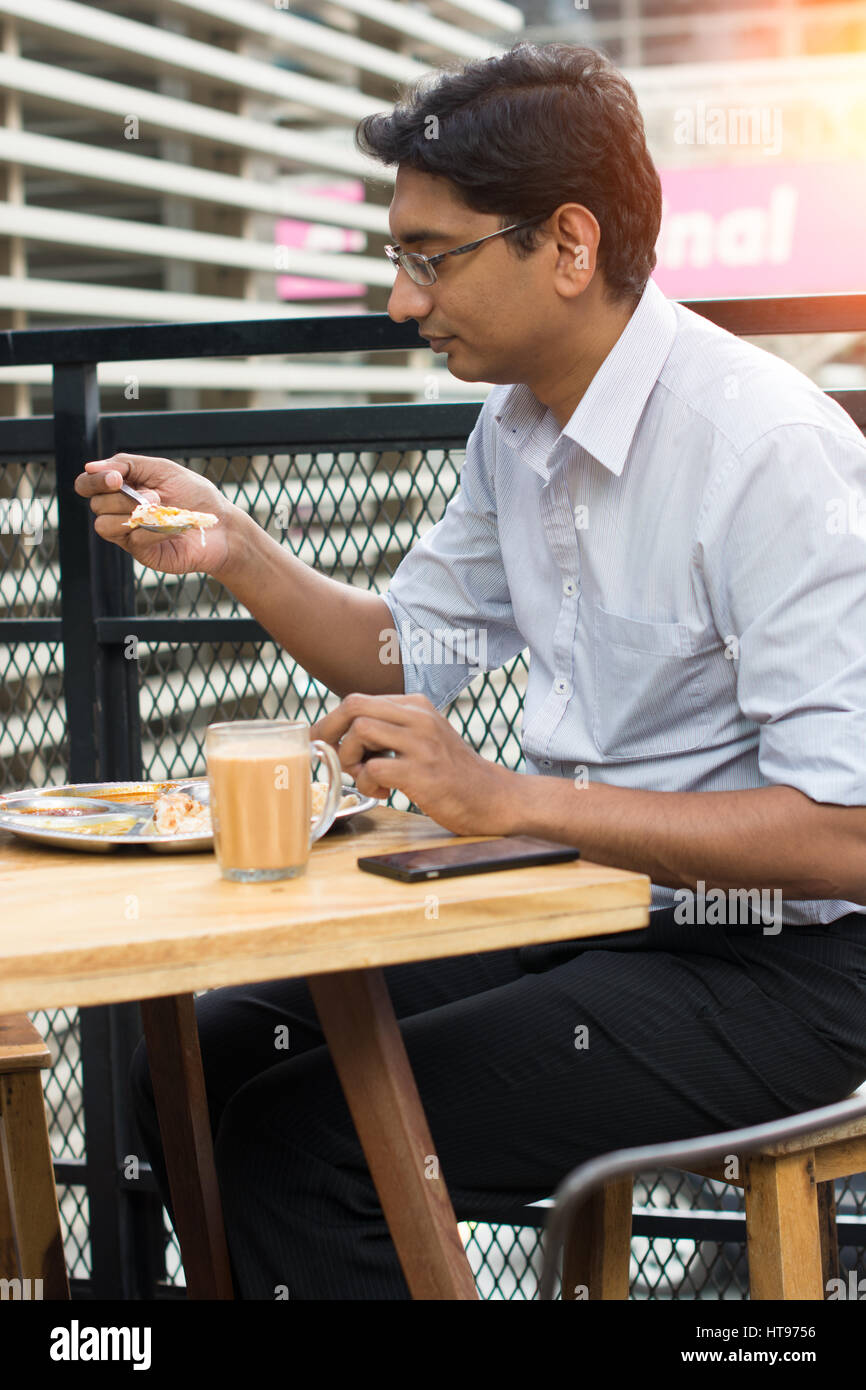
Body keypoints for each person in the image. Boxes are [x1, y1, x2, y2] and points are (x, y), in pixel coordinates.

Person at [75, 42, 866, 1300]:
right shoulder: (517, 428)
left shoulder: (763, 450)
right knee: (195, 1059)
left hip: (777, 966)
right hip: (573, 909)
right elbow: (408, 648)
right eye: (399, 259)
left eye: (427, 258)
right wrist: (230, 547)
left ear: (566, 244)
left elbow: (844, 834)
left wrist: (512, 800)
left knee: (303, 1142)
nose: (399, 301)